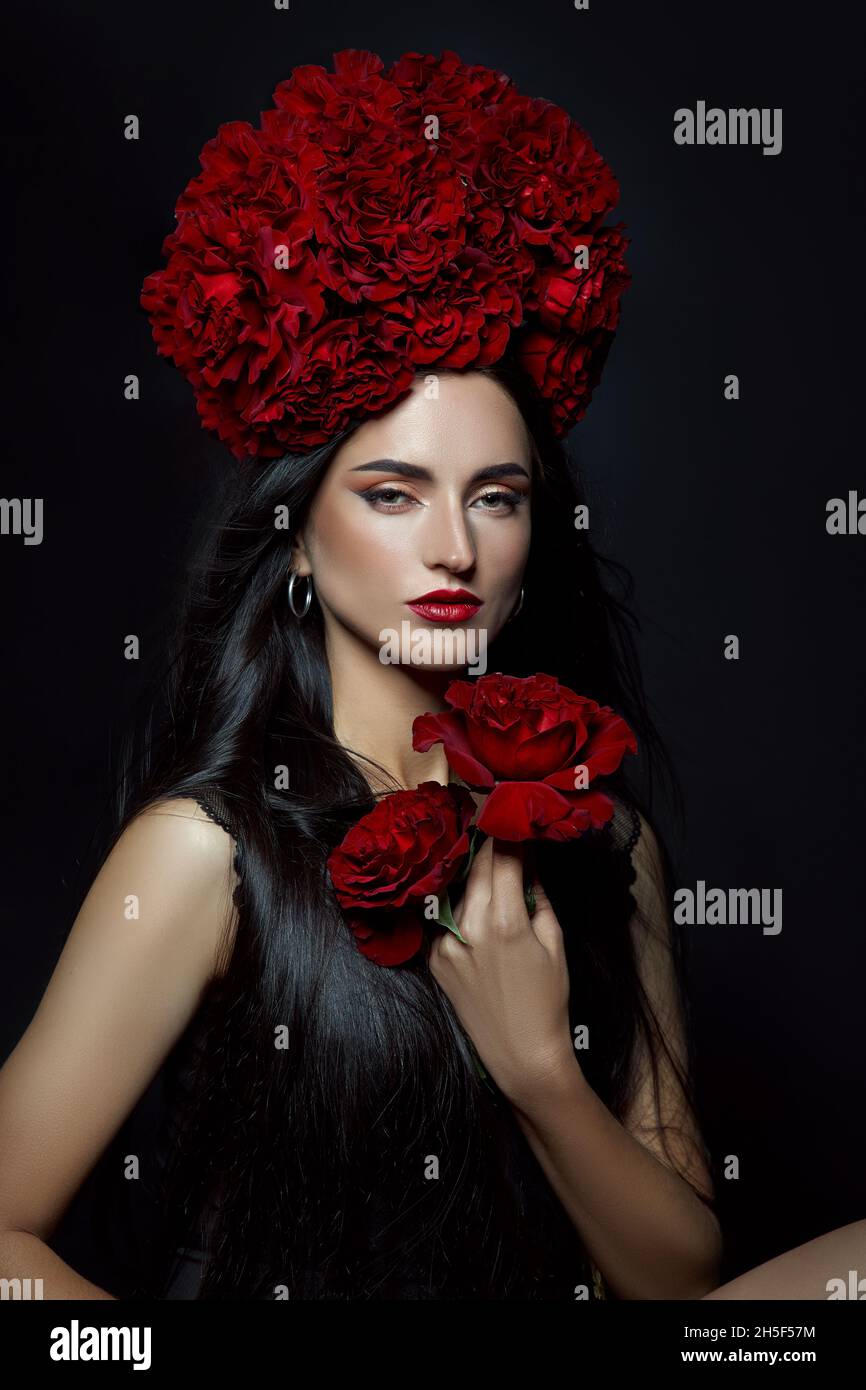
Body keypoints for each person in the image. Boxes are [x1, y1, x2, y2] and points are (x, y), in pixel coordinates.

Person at [0, 49, 861, 1303]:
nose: (454, 546)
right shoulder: (207, 852)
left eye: (495, 497)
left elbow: (678, 1287)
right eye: (392, 494)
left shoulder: (607, 843)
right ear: (299, 534)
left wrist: (538, 1069)